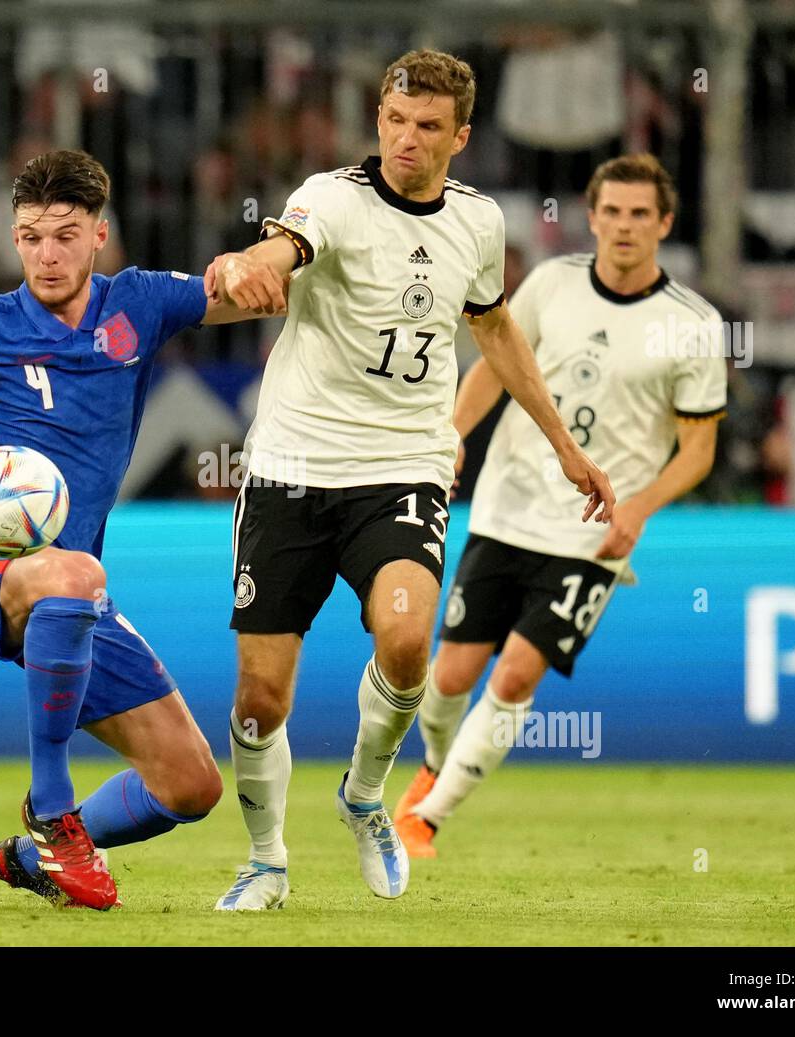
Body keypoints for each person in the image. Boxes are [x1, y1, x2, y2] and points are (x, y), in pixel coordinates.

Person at [205, 49, 614, 911]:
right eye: (395, 120)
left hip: (403, 467)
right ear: (378, 116)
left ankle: (363, 794)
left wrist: (564, 447)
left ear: (460, 136)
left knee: (403, 640)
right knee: (259, 696)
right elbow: (282, 247)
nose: (406, 139)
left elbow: (495, 331)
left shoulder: (477, 221)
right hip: (291, 466)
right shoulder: (333, 197)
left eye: (428, 127)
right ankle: (267, 857)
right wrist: (253, 265)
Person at [0, 149, 283, 910]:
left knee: (192, 783)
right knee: (75, 573)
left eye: (65, 234)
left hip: (74, 595)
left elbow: (244, 292)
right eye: (32, 235)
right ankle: (51, 808)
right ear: (14, 236)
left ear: (99, 234)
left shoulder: (136, 305)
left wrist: (249, 261)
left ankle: (33, 855)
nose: (47, 253)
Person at [393, 154, 726, 856]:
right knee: (450, 674)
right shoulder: (552, 283)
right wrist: (451, 432)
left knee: (516, 671)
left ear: (665, 223)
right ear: (591, 214)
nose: (625, 226)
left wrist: (638, 508)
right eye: (613, 211)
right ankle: (432, 766)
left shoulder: (692, 325)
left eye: (641, 213)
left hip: (593, 530)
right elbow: (494, 364)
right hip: (509, 504)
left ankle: (425, 817)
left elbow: (698, 450)